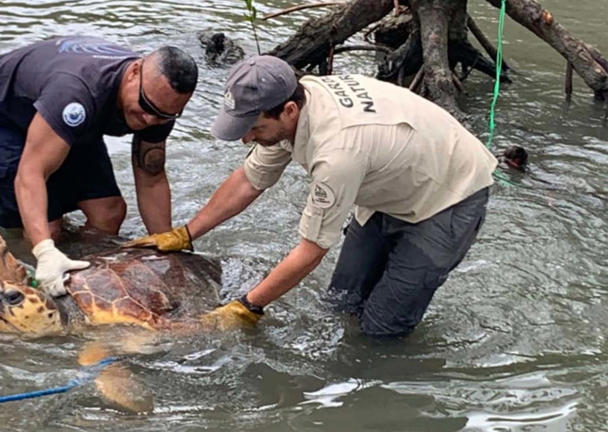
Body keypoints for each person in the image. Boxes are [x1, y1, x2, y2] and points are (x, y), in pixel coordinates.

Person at [126, 55, 498, 337]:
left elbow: (312, 250)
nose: (245, 138)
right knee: (341, 304)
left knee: (381, 328)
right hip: (393, 179)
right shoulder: (297, 102)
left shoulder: (337, 152)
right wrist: (186, 234)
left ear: (288, 110)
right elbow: (249, 180)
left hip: (448, 194)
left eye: (252, 128)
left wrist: (247, 306)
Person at [0, 36, 198, 296]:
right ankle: (34, 289)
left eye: (164, 115)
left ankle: (83, 285)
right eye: (146, 106)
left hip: (73, 119)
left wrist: (166, 246)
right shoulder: (75, 93)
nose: (149, 119)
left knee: (109, 213)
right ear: (134, 72)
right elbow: (30, 174)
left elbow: (151, 175)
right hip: (5, 113)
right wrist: (45, 251)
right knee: (48, 230)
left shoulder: (161, 105)